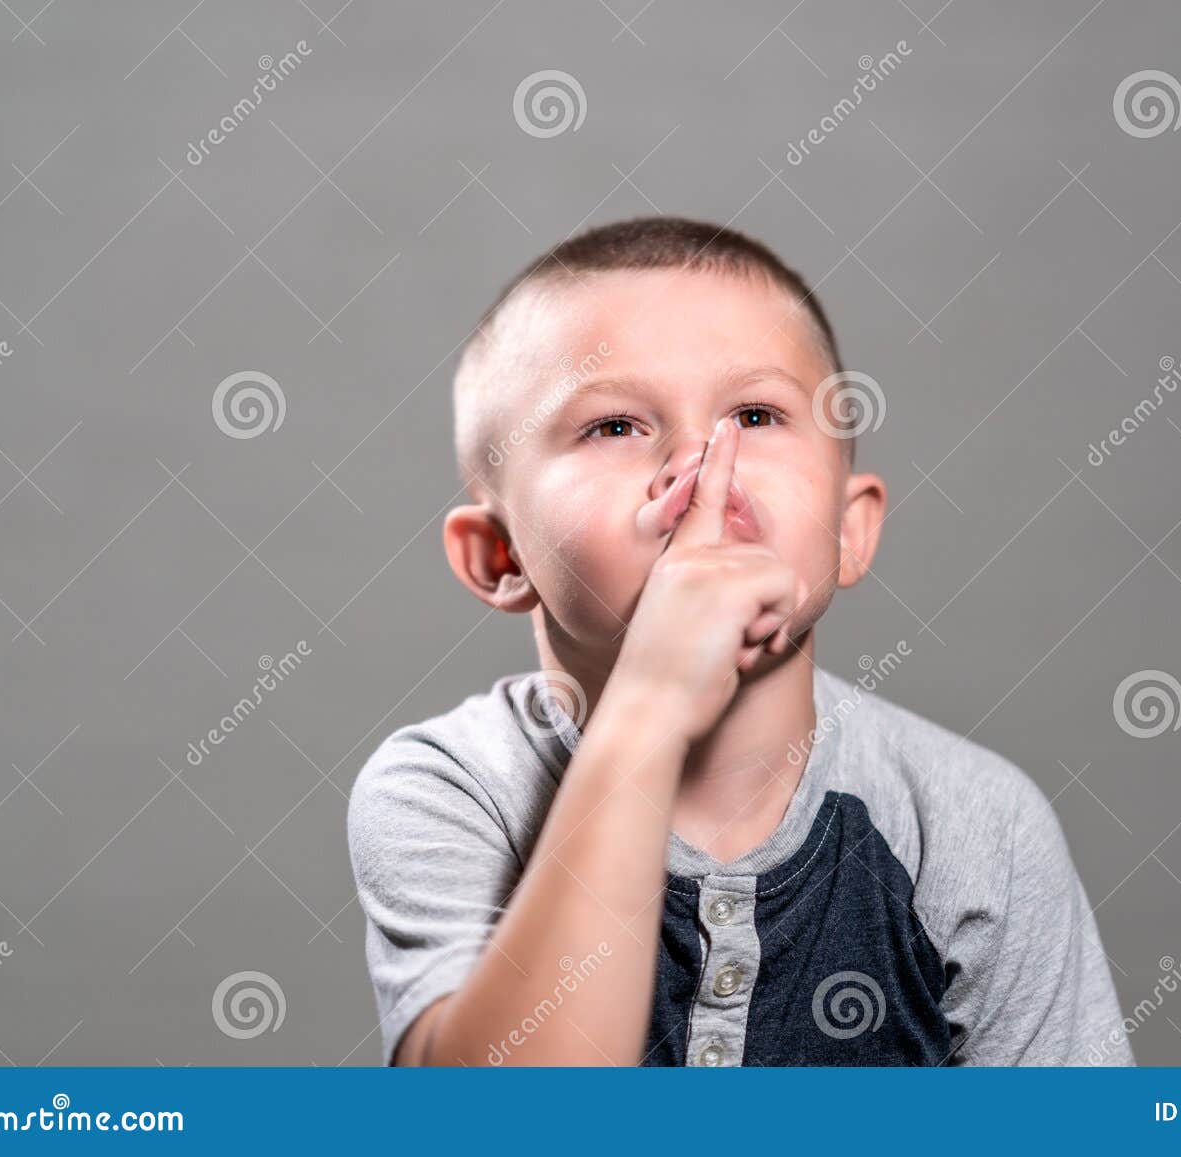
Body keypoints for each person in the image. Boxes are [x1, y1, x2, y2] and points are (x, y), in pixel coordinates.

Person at [346, 216, 1132, 1066]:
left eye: (755, 414)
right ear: (501, 556)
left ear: (847, 529)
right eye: (614, 426)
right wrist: (649, 705)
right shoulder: (452, 790)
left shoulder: (972, 825)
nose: (701, 460)